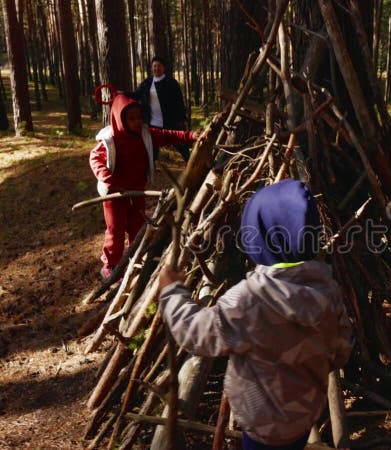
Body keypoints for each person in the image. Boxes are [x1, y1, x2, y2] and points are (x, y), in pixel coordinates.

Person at [157, 179, 353, 450]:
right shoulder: (327, 290)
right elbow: (341, 350)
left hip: (262, 425)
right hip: (304, 415)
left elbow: (195, 334)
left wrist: (172, 293)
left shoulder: (249, 299)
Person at [89, 93, 199, 279]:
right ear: (120, 118)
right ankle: (111, 264)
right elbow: (95, 159)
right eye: (131, 119)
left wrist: (189, 135)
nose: (137, 122)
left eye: (139, 117)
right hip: (115, 194)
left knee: (137, 227)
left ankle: (135, 258)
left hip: (137, 191)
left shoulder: (145, 134)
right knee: (115, 230)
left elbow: (166, 135)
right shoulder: (110, 139)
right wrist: (108, 179)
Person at [134, 56, 191, 162]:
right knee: (152, 151)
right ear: (151, 68)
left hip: (171, 123)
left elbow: (179, 102)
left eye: (159, 66)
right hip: (153, 123)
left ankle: (195, 168)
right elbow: (136, 95)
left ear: (163, 68)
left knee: (182, 148)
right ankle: (151, 173)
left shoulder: (171, 82)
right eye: (154, 66)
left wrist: (181, 120)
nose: (157, 68)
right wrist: (121, 94)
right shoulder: (147, 83)